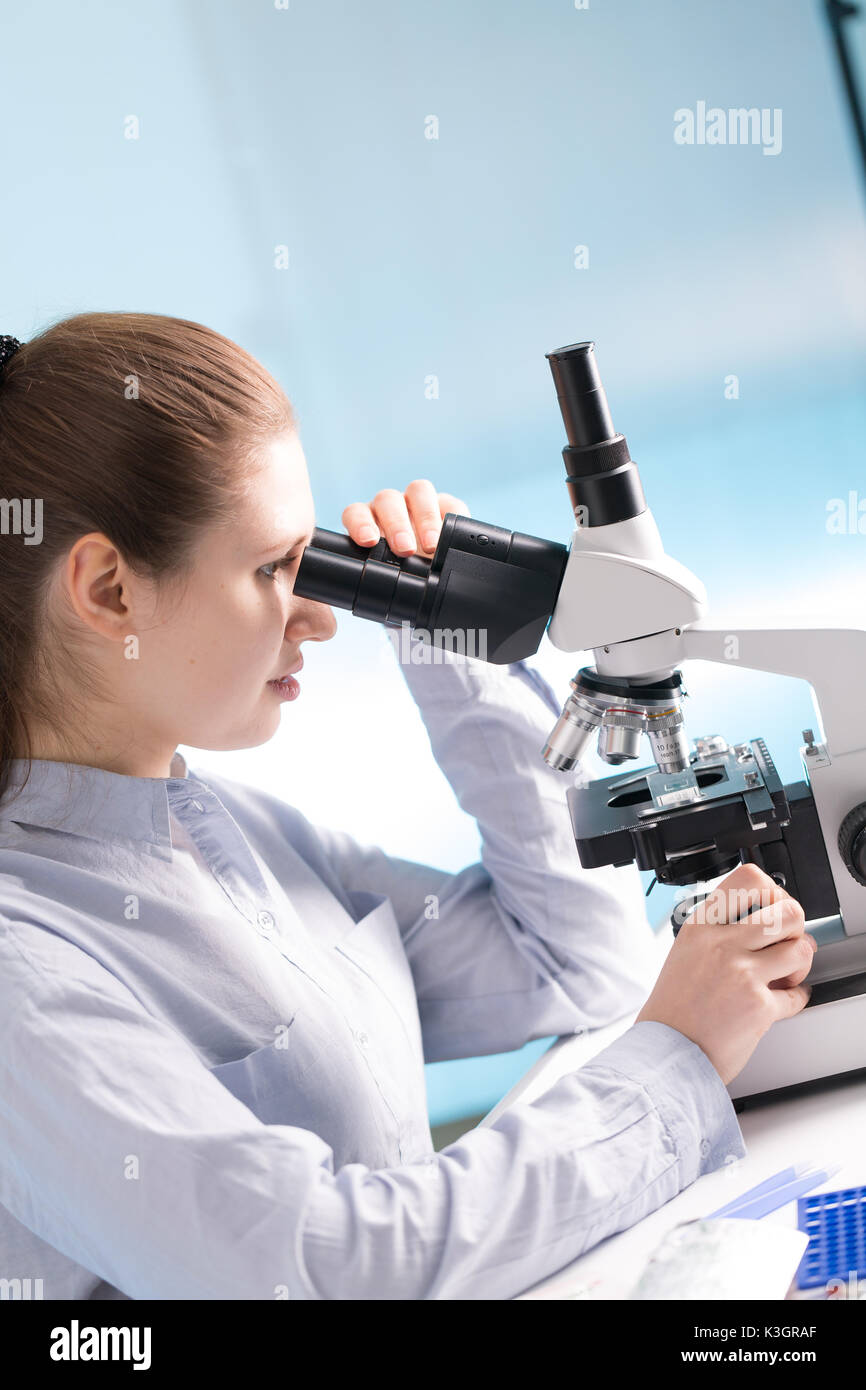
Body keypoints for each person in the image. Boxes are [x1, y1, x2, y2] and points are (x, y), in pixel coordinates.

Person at [0, 313, 816, 1301]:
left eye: (317, 560)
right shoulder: (24, 967)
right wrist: (674, 1058)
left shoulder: (232, 831)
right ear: (109, 591)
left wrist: (442, 627)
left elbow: (572, 963)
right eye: (271, 570)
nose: (319, 615)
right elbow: (329, 1272)